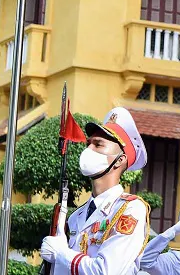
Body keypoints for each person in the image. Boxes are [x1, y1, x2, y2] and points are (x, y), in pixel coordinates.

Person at [40, 107, 149, 275]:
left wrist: (61, 253)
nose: (88, 150)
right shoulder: (77, 215)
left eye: (98, 144)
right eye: (88, 144)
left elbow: (106, 271)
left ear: (120, 160)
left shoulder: (130, 209)